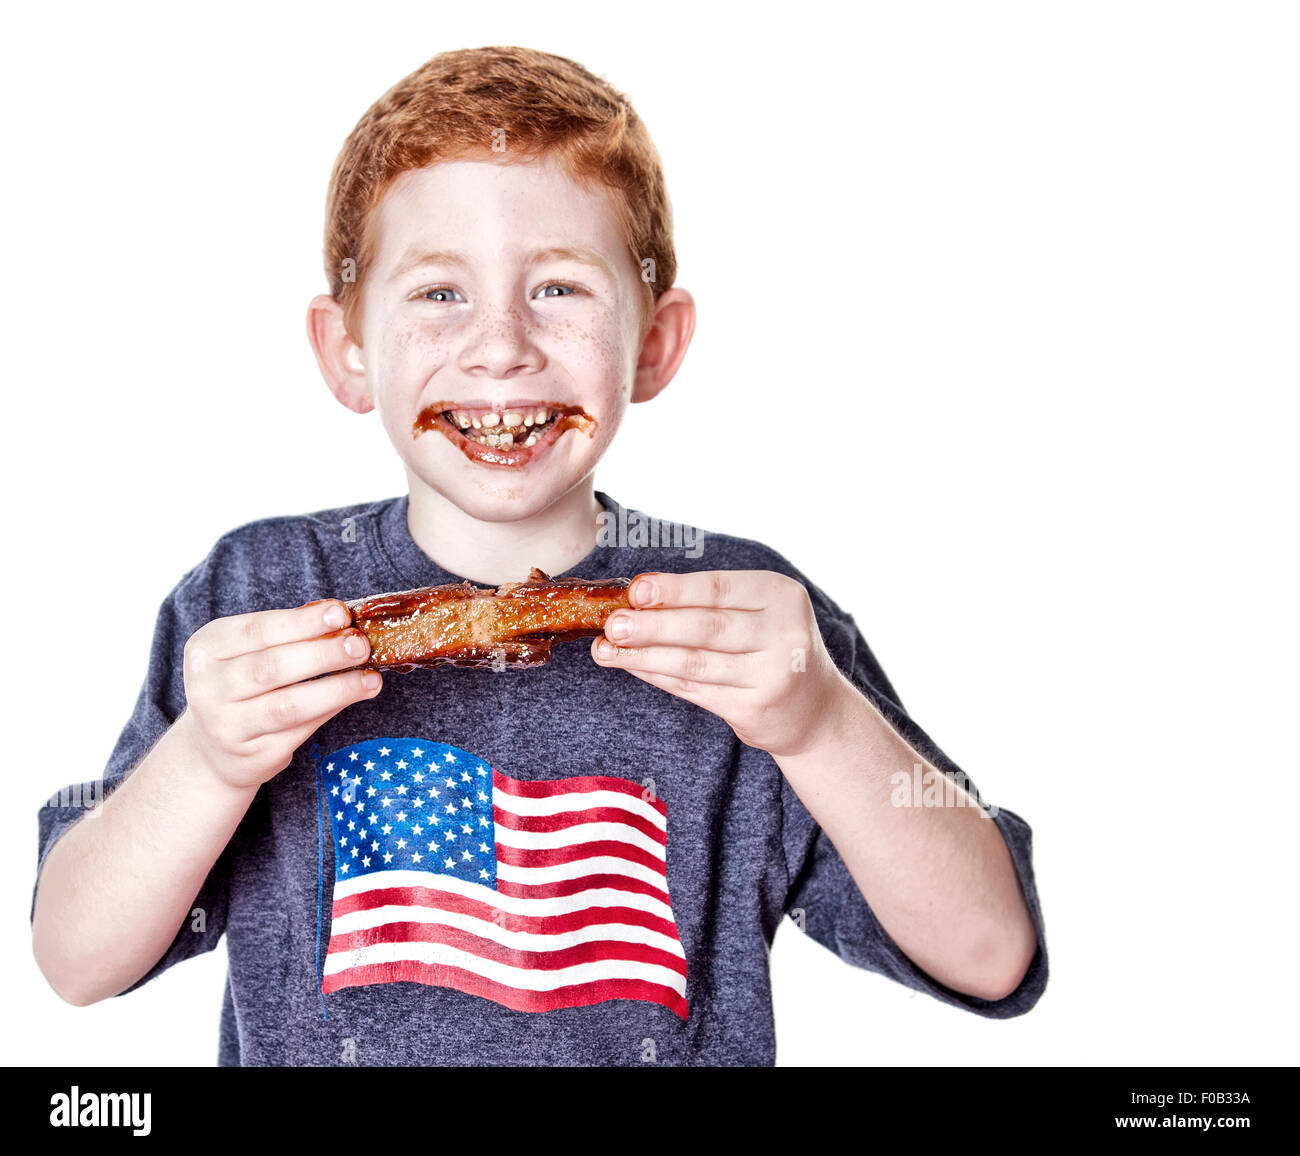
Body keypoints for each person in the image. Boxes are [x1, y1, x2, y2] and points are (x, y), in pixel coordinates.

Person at [31, 45, 1048, 1065]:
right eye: (438, 294)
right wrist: (208, 759)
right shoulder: (254, 594)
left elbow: (989, 952)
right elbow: (75, 958)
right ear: (345, 346)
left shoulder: (754, 623)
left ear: (654, 341)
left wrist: (821, 722)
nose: (502, 345)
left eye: (560, 289)